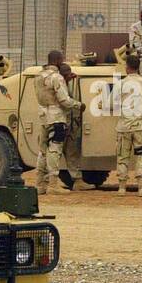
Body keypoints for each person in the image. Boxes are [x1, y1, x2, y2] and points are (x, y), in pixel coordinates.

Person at [34, 51, 92, 194]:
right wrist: (79, 105)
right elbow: (64, 100)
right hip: (57, 118)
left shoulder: (38, 77)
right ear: (58, 60)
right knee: (55, 150)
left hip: (44, 117)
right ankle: (53, 184)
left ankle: (40, 184)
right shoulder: (56, 77)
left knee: (43, 151)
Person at [115, 54, 142, 196]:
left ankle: (121, 187)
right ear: (138, 67)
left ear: (127, 67)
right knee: (141, 155)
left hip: (124, 126)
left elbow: (112, 104)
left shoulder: (120, 84)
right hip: (141, 125)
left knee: (122, 156)